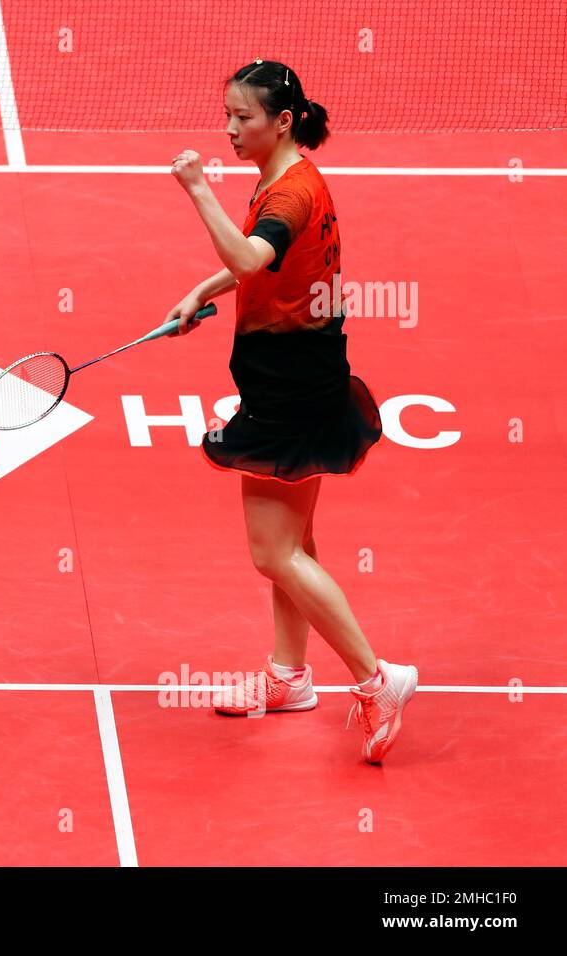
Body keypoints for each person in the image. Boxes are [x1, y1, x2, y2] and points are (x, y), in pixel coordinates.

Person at [165, 60, 416, 764]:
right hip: (309, 375)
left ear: (282, 121)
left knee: (271, 551)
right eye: (227, 115)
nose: (229, 128)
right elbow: (263, 266)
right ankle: (289, 677)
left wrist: (196, 190)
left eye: (243, 118)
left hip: (291, 392)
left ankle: (376, 681)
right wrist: (202, 289)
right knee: (295, 547)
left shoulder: (290, 195)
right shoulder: (289, 177)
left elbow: (251, 254)